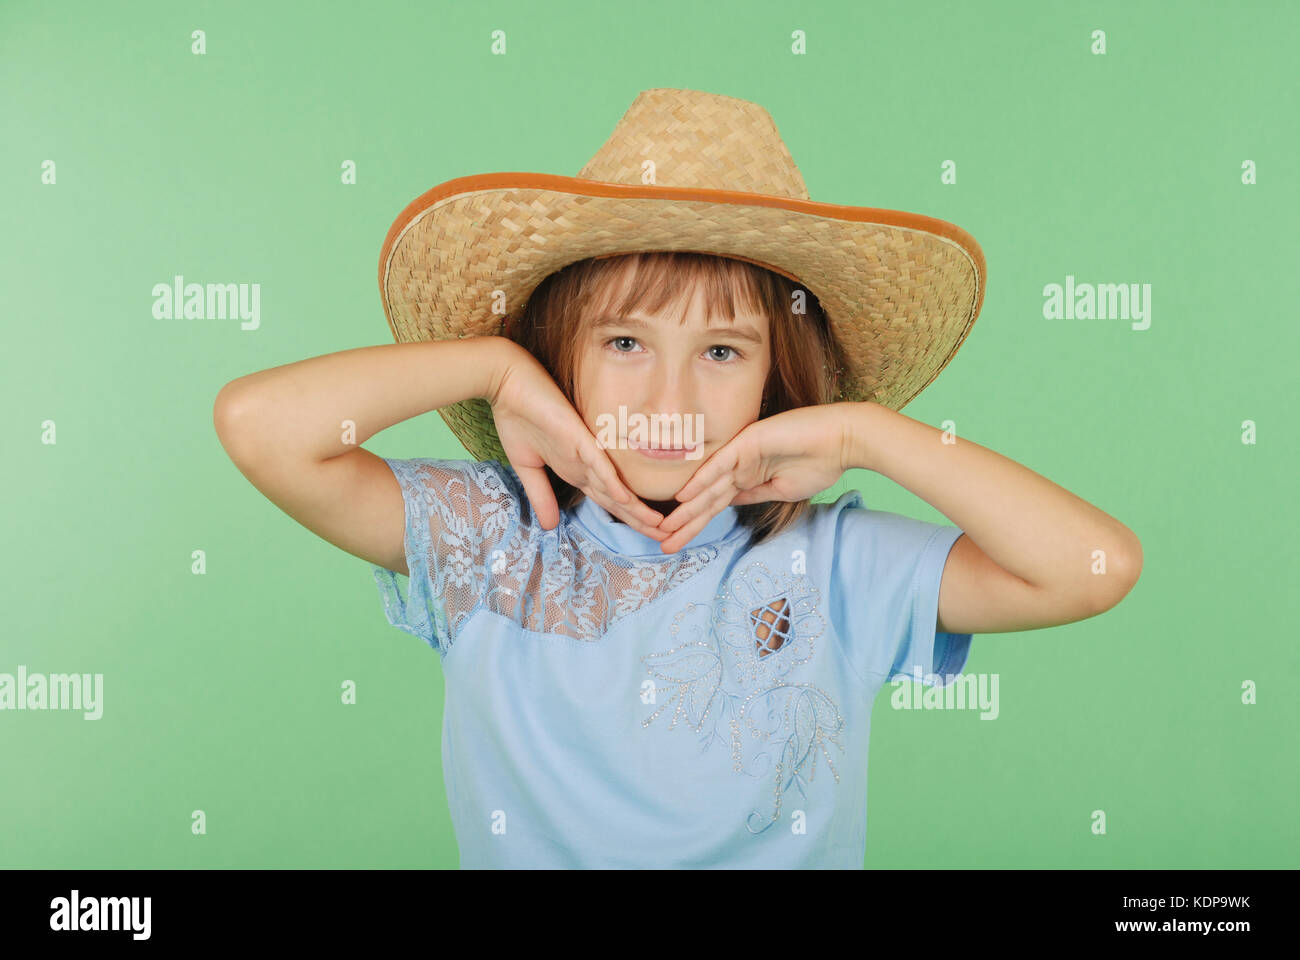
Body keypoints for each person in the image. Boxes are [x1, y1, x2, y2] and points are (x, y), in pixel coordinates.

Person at [212, 88, 1142, 868]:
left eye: (724, 351)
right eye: (624, 342)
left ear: (779, 377)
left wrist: (868, 435)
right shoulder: (490, 538)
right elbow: (260, 429)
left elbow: (1095, 566)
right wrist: (489, 370)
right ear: (557, 360)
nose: (671, 394)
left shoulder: (837, 565)